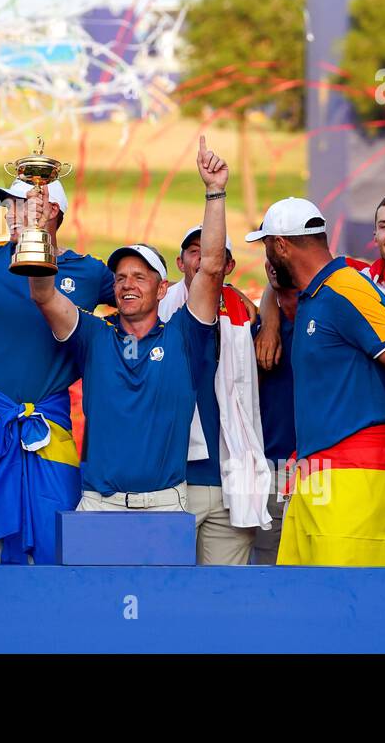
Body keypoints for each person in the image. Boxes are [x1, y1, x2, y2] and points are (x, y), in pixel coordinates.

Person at [25, 138, 229, 517]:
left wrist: (215, 192)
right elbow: (44, 295)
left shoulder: (184, 334)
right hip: (98, 502)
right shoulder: (94, 334)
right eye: (119, 278)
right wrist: (36, 233)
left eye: (140, 276)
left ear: (162, 287)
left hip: (166, 503)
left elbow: (212, 267)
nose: (127, 285)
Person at [247, 196, 385, 567]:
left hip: (359, 472)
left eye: (267, 247)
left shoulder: (345, 287)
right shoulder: (317, 293)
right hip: (318, 469)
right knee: (307, 600)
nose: (266, 260)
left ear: (281, 246)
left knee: (351, 603)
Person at [0, 172, 117, 564]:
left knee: (54, 556)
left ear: (51, 210)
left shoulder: (88, 271)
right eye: (8, 206)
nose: (9, 214)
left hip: (51, 431)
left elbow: (149, 297)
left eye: (20, 204)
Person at [157, 224, 270, 563]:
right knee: (166, 589)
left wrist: (270, 318)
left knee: (224, 594)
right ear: (180, 261)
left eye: (216, 255)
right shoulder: (156, 310)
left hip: (231, 480)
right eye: (196, 251)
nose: (205, 259)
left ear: (229, 266)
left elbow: (282, 289)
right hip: (173, 480)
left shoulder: (245, 315)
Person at [250, 260, 296, 565]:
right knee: (268, 565)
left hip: (325, 465)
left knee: (318, 567)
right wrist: (268, 323)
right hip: (273, 465)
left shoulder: (332, 306)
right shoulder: (262, 324)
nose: (274, 266)